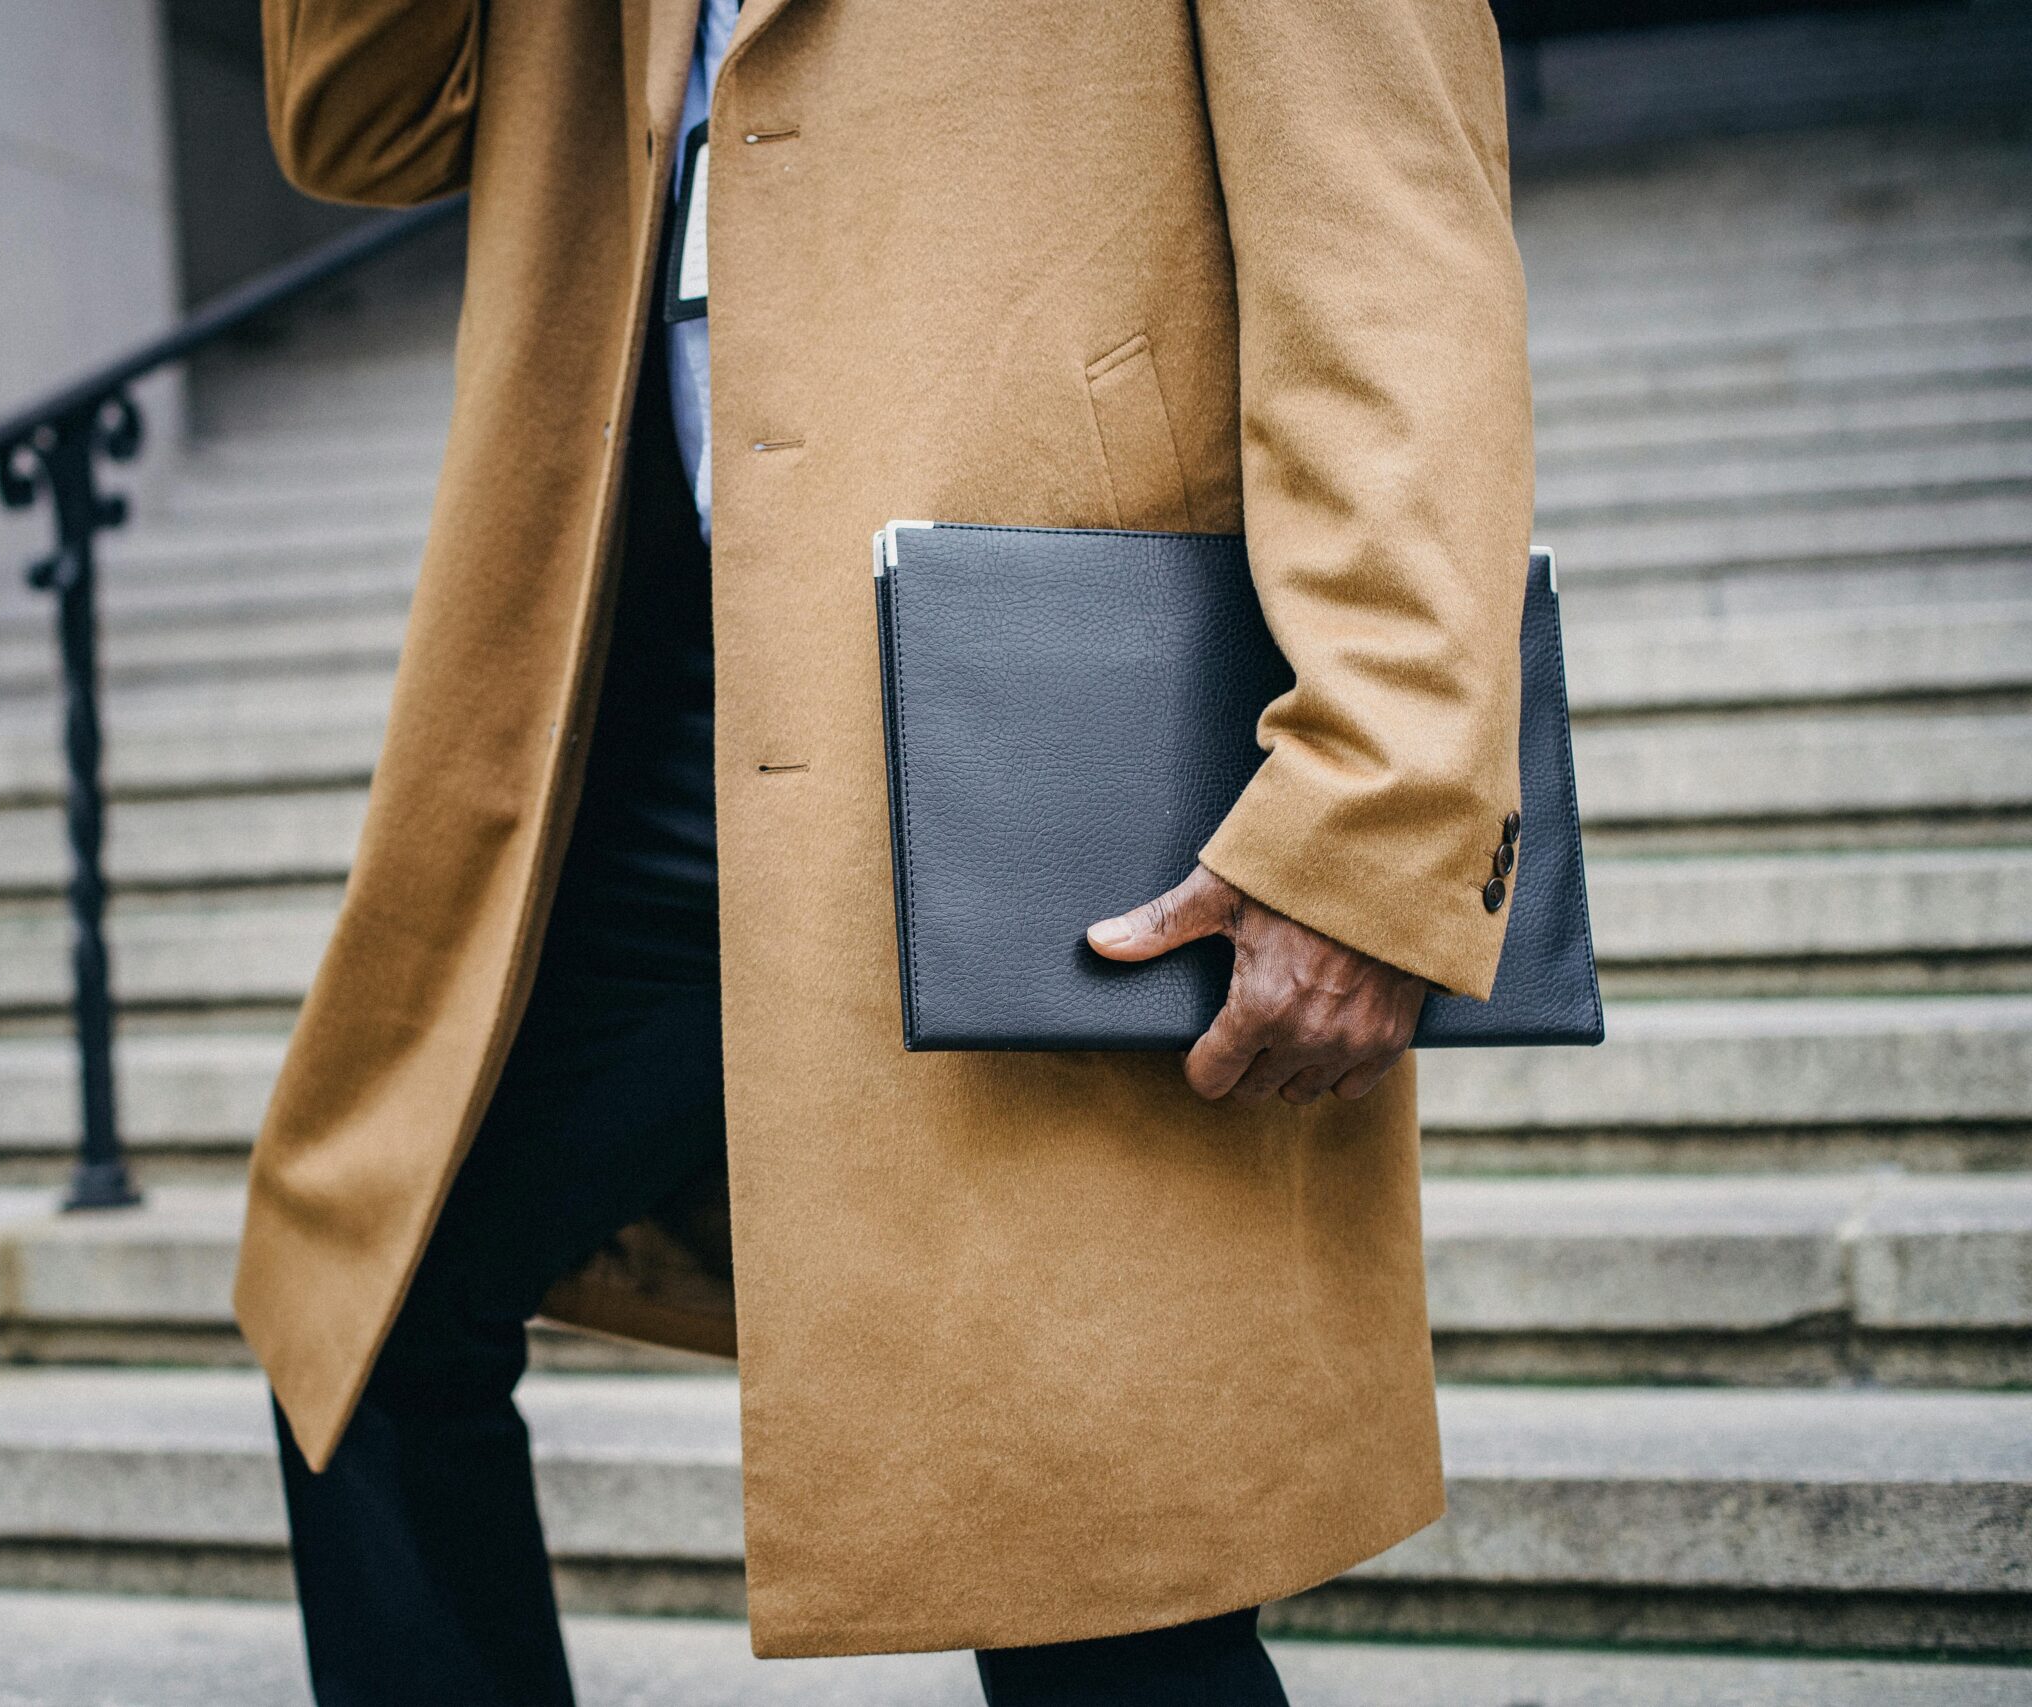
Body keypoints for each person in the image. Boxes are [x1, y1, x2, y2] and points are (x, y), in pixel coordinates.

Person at [235, 1, 1533, 1702]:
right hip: (656, 717)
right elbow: (360, 118)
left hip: (1046, 710)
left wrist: (1373, 804)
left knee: (1092, 1549)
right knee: (364, 1296)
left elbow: (1397, 252)